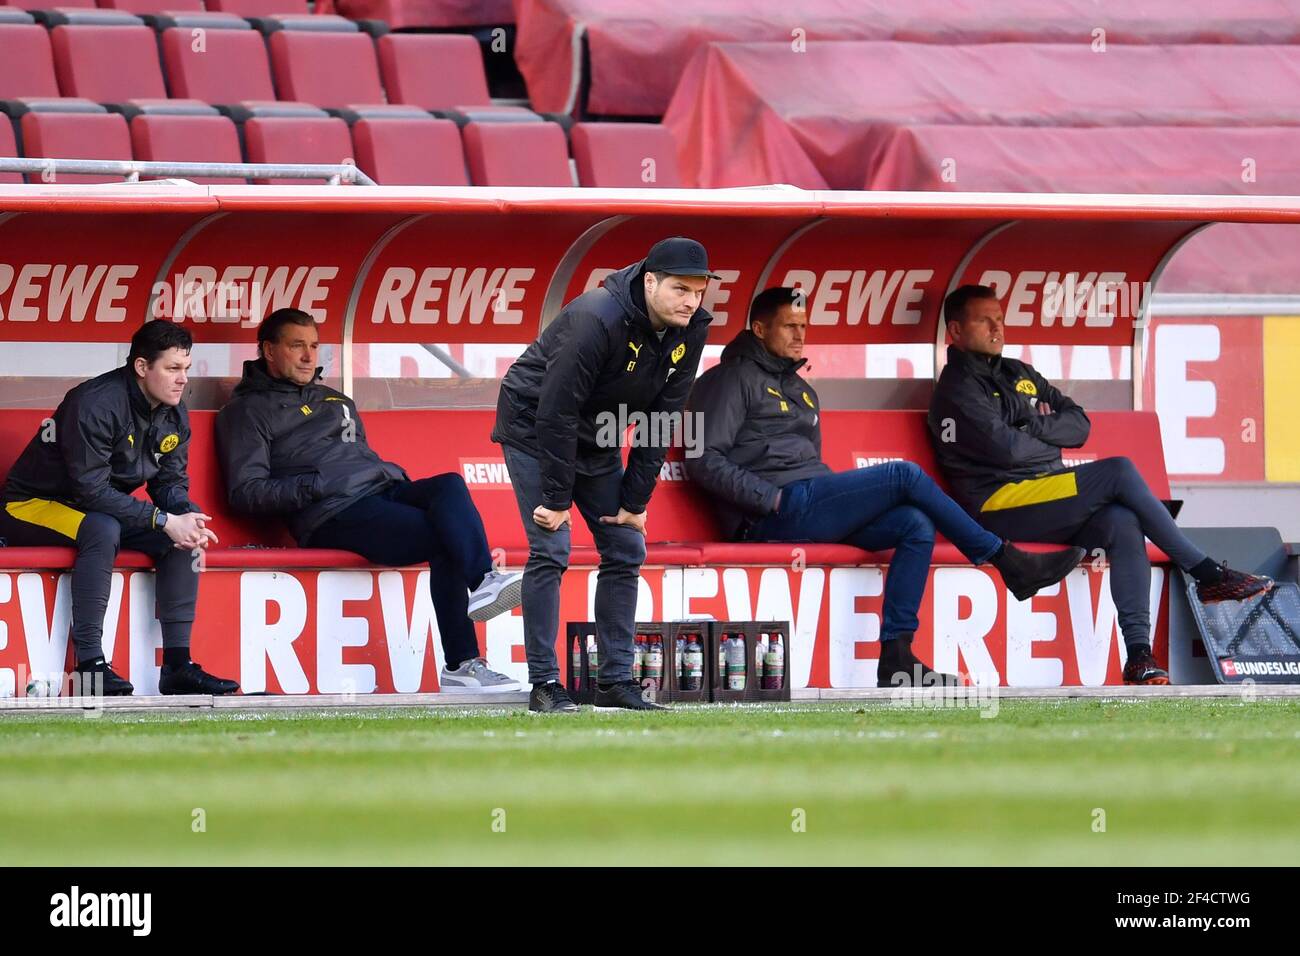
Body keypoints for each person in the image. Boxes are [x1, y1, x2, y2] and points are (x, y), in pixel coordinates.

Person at [686, 287, 1086, 688]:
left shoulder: (802, 390)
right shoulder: (726, 380)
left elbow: (809, 462)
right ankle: (1005, 559)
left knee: (914, 524)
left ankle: (897, 656)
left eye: (804, 326)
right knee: (904, 476)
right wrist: (770, 499)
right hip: (770, 513)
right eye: (789, 326)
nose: (799, 335)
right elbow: (702, 459)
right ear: (759, 329)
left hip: (812, 501)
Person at [929, 284, 1273, 685]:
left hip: (1044, 492)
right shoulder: (957, 388)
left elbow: (1080, 425)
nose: (997, 328)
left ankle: (1139, 656)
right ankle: (1208, 574)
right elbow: (1007, 451)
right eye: (984, 320)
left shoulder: (1018, 372)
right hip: (998, 504)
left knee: (1122, 521)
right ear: (955, 331)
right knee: (1118, 471)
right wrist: (1046, 436)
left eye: (1000, 318)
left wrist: (1031, 425)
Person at [215, 308, 521, 693]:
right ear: (269, 350)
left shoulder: (336, 400)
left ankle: (485, 582)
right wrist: (315, 486)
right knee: (446, 538)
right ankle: (463, 663)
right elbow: (245, 492)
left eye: (314, 346)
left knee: (449, 485)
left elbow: (357, 457)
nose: (309, 357)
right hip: (331, 511)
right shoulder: (245, 411)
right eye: (297, 346)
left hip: (379, 489)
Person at [493, 237, 715, 712]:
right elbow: (556, 411)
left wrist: (634, 504)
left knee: (626, 545)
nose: (691, 301)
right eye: (680, 289)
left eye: (698, 292)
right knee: (551, 547)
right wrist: (556, 499)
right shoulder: (596, 317)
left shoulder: (692, 327)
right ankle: (544, 684)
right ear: (649, 281)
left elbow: (663, 416)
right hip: (535, 425)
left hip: (597, 432)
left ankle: (615, 680)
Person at [0, 320, 235, 697]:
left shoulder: (173, 411)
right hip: (31, 505)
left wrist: (182, 517)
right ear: (142, 366)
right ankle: (90, 668)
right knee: (103, 528)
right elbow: (91, 491)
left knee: (181, 534)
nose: (183, 379)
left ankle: (178, 666)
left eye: (187, 368)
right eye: (173, 368)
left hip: (100, 509)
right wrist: (162, 519)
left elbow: (169, 483)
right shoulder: (95, 403)